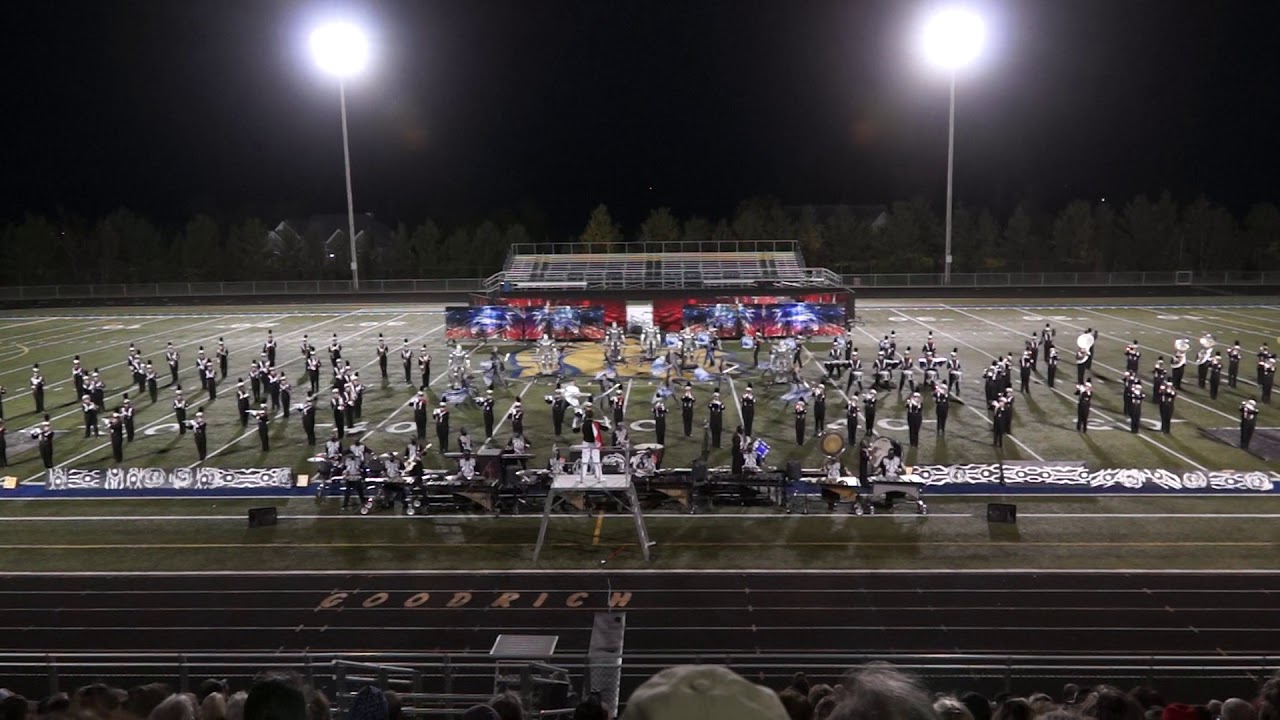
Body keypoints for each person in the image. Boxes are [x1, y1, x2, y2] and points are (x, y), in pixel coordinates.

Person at [581, 408, 603, 482]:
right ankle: (599, 476)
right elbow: (605, 428)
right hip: (594, 443)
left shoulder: (583, 424)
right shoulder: (595, 424)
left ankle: (582, 477)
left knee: (584, 459)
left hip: (586, 442)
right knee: (596, 460)